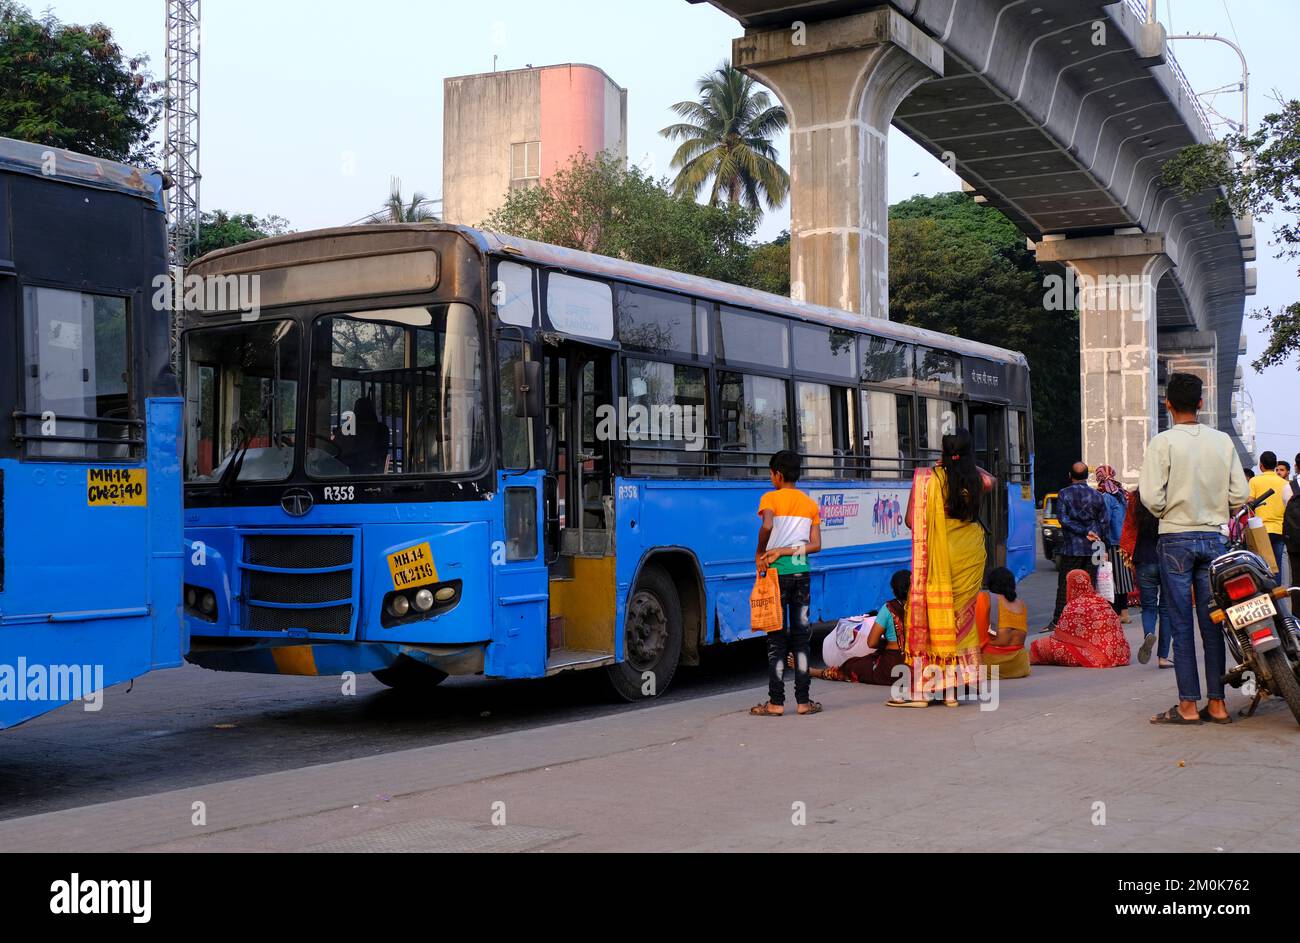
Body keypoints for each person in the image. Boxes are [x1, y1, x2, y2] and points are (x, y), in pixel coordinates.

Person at [1139, 372, 1250, 726]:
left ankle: (1188, 706)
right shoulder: (1222, 442)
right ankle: (1217, 704)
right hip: (1215, 539)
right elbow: (1240, 495)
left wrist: (1170, 512)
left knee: (1181, 624)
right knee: (1212, 623)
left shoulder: (1163, 442)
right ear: (1201, 404)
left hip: (1175, 539)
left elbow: (1150, 497)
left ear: (1167, 403)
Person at [888, 428, 993, 708]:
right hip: (970, 555)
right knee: (960, 621)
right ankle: (950, 694)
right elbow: (992, 480)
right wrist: (967, 463)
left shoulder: (927, 480)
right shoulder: (976, 479)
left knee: (934, 619)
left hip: (939, 557)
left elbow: (911, 521)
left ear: (943, 452)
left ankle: (922, 693)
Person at [751, 450, 823, 717]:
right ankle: (804, 702)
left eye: (771, 474)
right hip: (801, 575)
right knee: (802, 639)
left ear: (778, 475)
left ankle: (776, 702)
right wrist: (791, 550)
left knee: (776, 639)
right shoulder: (809, 504)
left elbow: (767, 525)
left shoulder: (770, 498)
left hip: (776, 578)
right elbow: (815, 545)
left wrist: (763, 551)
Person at [809, 569, 908, 685]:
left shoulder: (888, 609)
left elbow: (871, 642)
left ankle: (814, 672)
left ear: (893, 590)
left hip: (891, 668)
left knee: (852, 666)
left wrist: (885, 643)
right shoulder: (923, 608)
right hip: (914, 666)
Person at [1046, 462, 1108, 632]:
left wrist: (1082, 531)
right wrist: (1093, 534)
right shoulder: (1097, 496)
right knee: (1089, 586)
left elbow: (1063, 520)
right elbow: (1104, 522)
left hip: (1071, 548)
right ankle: (1087, 624)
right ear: (1087, 476)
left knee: (1065, 586)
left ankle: (1058, 621)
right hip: (1093, 548)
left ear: (1069, 475)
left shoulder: (1064, 494)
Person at [1030, 570, 1131, 667]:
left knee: (1040, 645)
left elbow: (1060, 636)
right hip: (1120, 653)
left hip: (1096, 656)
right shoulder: (1101, 600)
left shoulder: (1074, 606)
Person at [1131, 492, 1173, 669]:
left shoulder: (1138, 500)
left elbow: (1128, 529)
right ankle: (1163, 657)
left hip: (1144, 558)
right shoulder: (1170, 496)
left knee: (1148, 606)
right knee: (1166, 609)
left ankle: (1149, 633)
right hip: (1168, 558)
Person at [1096, 464, 1135, 620]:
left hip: (1113, 542)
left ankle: (1117, 614)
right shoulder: (1121, 493)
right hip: (1125, 541)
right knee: (1124, 577)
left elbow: (1105, 521)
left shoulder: (1106, 496)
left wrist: (1102, 543)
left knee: (1114, 578)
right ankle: (1124, 613)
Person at [979, 566, 1030, 679]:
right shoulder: (1021, 604)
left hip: (993, 663)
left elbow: (977, 635)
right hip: (1019, 666)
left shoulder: (985, 598)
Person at [1250, 452, 1287, 578]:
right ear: (1275, 465)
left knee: (1260, 567)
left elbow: (1249, 501)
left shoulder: (1254, 481)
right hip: (1279, 529)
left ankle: (1264, 595)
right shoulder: (1284, 483)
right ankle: (1277, 594)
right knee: (1276, 566)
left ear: (1261, 466)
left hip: (1260, 529)